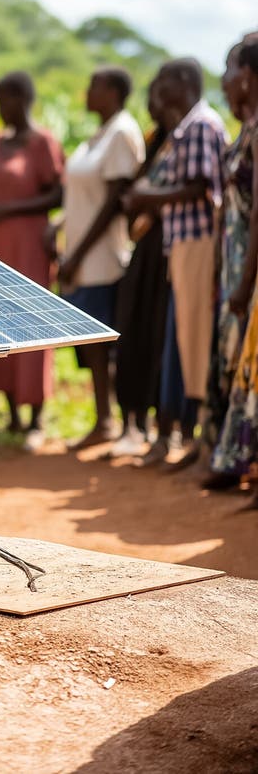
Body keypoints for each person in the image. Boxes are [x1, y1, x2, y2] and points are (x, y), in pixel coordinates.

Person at [124, 59, 227, 470]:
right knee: (184, 340)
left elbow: (201, 187)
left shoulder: (201, 125)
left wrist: (147, 199)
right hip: (182, 242)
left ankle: (200, 438)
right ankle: (193, 438)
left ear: (182, 83)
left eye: (164, 80)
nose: (157, 88)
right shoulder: (185, 128)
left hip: (198, 241)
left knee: (197, 339)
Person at [60, 66, 145, 448]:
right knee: (91, 346)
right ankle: (105, 419)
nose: (86, 92)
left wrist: (75, 253)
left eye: (93, 86)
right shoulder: (100, 134)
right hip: (82, 257)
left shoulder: (122, 133)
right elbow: (86, 196)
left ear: (112, 91)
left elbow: (113, 202)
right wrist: (58, 228)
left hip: (101, 258)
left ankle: (118, 422)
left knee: (102, 346)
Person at [0, 71, 64, 442]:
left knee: (32, 322)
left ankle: (37, 419)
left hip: (29, 245)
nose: (0, 108)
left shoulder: (43, 142)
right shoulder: (0, 142)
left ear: (22, 99)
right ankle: (12, 411)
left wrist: (8, 212)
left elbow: (57, 196)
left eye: (4, 100)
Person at [204, 33, 258, 500]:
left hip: (249, 265)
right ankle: (238, 460)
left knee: (249, 362)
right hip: (234, 262)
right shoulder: (247, 129)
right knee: (235, 361)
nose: (224, 81)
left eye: (230, 71)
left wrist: (244, 280)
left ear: (248, 76)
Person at [111, 79, 169, 456]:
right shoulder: (152, 141)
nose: (153, 105)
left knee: (155, 336)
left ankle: (154, 425)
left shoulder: (180, 143)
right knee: (130, 332)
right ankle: (131, 422)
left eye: (158, 98)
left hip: (163, 252)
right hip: (142, 250)